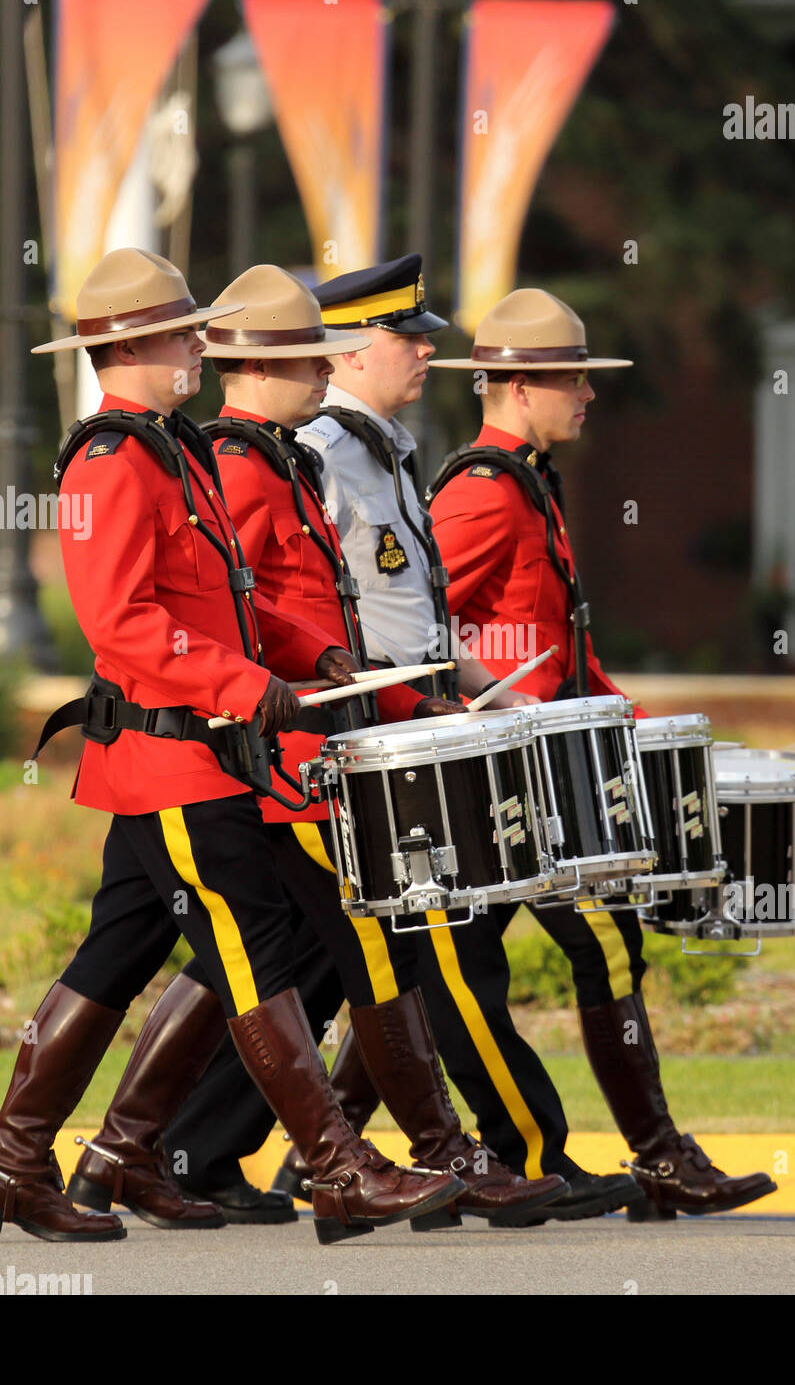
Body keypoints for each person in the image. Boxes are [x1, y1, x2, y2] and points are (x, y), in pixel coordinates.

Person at [0, 248, 463, 1247]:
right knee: (251, 951)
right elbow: (122, 626)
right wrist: (248, 686)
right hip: (173, 757)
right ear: (131, 344)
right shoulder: (109, 459)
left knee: (117, 952)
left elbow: (233, 601)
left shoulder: (170, 450)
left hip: (194, 755)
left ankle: (13, 1163)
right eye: (184, 331)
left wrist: (307, 653)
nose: (200, 344)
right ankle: (337, 1165)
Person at [106, 263, 561, 1227]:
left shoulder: (280, 454)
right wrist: (288, 687)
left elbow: (293, 599)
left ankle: (127, 1153)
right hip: (261, 744)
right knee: (332, 941)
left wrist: (359, 670)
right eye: (312, 353)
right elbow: (215, 608)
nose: (326, 370)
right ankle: (402, 1158)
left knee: (212, 957)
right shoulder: (231, 457)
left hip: (302, 733)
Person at [269, 259, 644, 1225]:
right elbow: (312, 610)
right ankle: (480, 1154)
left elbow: (424, 617)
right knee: (353, 956)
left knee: (340, 959)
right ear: (351, 348)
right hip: (364, 743)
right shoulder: (315, 451)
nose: (433, 350)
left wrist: (491, 701)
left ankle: (211, 1152)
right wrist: (390, 706)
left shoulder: (383, 449)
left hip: (425, 735)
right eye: (411, 337)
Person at [424, 288, 778, 1220]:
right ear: (516, 385)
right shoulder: (483, 492)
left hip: (552, 764)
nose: (588, 394)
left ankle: (327, 1142)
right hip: (520, 777)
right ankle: (659, 1158)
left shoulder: (531, 479)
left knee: (448, 965)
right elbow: (418, 632)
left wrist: (634, 720)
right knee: (602, 950)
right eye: (572, 378)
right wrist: (501, 711)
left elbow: (557, 645)